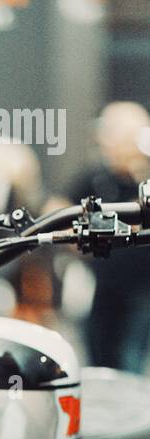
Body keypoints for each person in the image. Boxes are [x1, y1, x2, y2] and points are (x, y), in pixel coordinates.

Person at [68, 102, 150, 373]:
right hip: (104, 286)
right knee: (100, 359)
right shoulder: (97, 179)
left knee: (130, 360)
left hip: (142, 290)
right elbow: (62, 210)